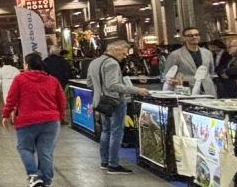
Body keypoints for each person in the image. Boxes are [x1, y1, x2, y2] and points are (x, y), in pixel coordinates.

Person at [1, 53, 64, 187]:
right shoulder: (52, 80)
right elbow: (62, 100)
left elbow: (11, 99)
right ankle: (46, 184)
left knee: (25, 148)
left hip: (27, 121)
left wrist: (6, 115)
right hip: (51, 121)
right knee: (46, 152)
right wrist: (60, 117)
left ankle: (33, 175)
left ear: (27, 65)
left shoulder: (20, 79)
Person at [87, 40, 150, 172]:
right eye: (123, 53)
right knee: (116, 132)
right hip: (115, 101)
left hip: (100, 101)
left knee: (106, 130)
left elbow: (89, 83)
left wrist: (100, 91)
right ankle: (113, 164)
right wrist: (137, 90)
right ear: (115, 50)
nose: (124, 56)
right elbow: (113, 85)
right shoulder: (112, 63)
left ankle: (104, 161)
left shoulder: (94, 62)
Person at [163, 27, 216, 95]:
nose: (194, 37)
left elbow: (211, 71)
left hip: (208, 90)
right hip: (187, 91)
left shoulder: (207, 53)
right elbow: (168, 75)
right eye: (190, 35)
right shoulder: (175, 55)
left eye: (196, 35)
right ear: (184, 38)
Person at [213, 33, 237, 98]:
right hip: (228, 89)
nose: (228, 48)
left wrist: (226, 72)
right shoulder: (231, 58)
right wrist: (223, 72)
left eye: (231, 46)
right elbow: (222, 68)